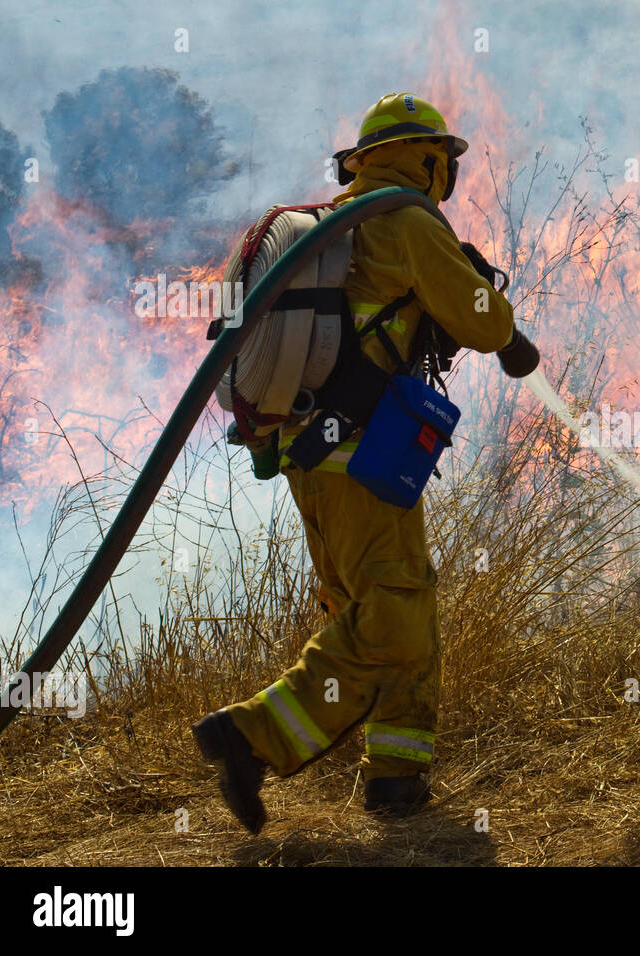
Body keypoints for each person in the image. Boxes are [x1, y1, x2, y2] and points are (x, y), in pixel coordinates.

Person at [192, 93, 519, 834]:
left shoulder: (342, 228)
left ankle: (397, 781)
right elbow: (483, 319)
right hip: (360, 452)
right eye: (445, 161)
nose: (447, 175)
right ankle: (250, 737)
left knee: (390, 601)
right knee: (393, 612)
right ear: (427, 158)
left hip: (312, 453)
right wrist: (489, 305)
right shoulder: (405, 219)